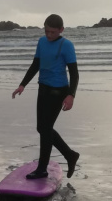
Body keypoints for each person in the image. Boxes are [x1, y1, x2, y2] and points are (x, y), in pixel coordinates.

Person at [11, 14, 80, 179]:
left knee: (45, 129)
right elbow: (36, 64)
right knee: (42, 128)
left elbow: (74, 74)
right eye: (47, 31)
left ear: (61, 30)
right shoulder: (42, 42)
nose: (49, 35)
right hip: (43, 89)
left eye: (53, 32)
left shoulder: (66, 45)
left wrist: (71, 95)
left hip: (58, 92)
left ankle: (43, 168)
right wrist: (23, 84)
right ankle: (70, 155)